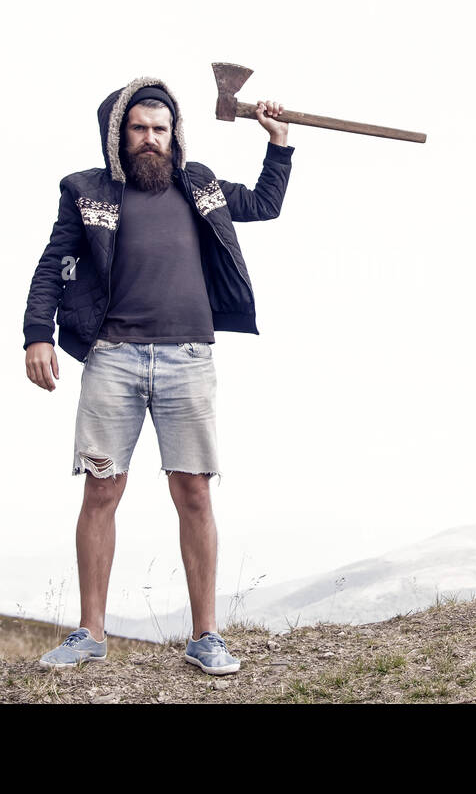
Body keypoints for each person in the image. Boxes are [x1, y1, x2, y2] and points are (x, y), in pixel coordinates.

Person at [22, 75, 293, 675]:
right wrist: (37, 334)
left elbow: (265, 204)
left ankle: (206, 636)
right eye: (139, 129)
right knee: (101, 489)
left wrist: (278, 142)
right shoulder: (85, 191)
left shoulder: (200, 187)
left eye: (160, 130)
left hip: (187, 359)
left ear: (175, 136)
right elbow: (51, 264)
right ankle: (90, 633)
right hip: (112, 358)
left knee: (194, 492)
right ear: (119, 135)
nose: (151, 140)